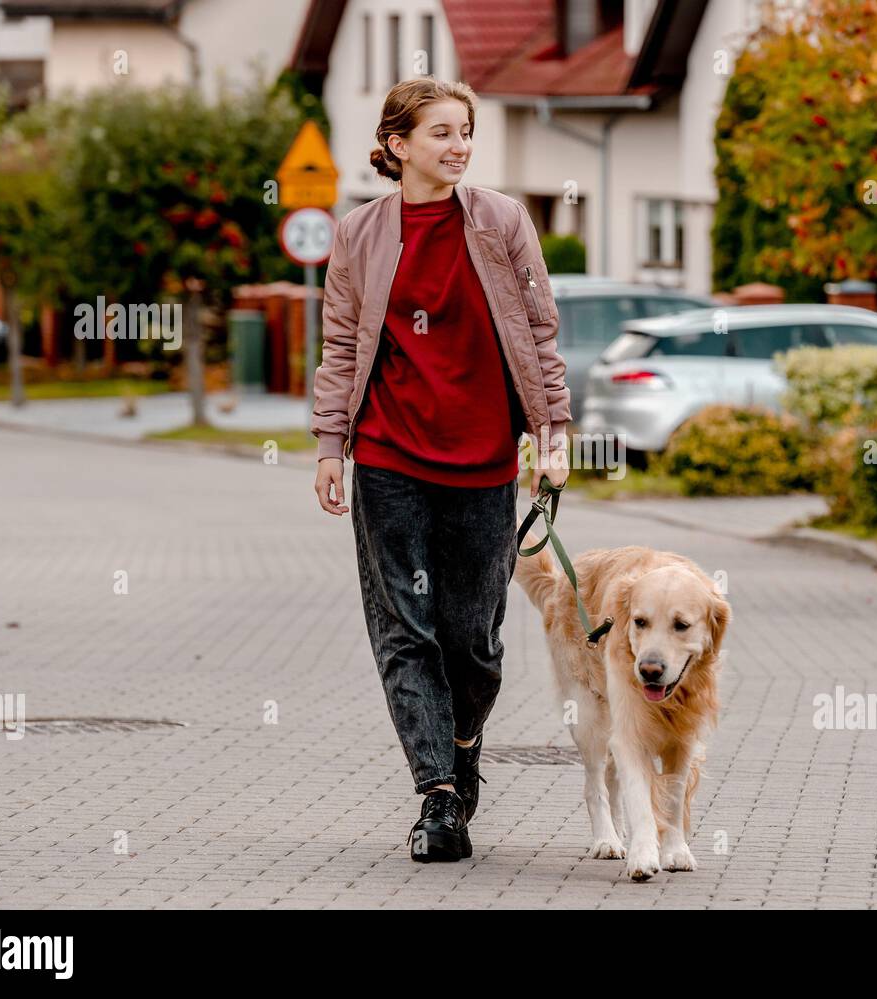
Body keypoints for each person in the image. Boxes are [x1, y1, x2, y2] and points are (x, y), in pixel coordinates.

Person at [311, 78, 572, 862]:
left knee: (475, 640)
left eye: (465, 132)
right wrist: (331, 445)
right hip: (390, 456)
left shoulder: (501, 222)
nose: (459, 146)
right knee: (404, 630)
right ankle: (439, 795)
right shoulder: (358, 234)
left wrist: (552, 431)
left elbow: (539, 329)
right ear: (396, 145)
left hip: (483, 456)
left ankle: (463, 745)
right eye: (441, 134)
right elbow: (341, 350)